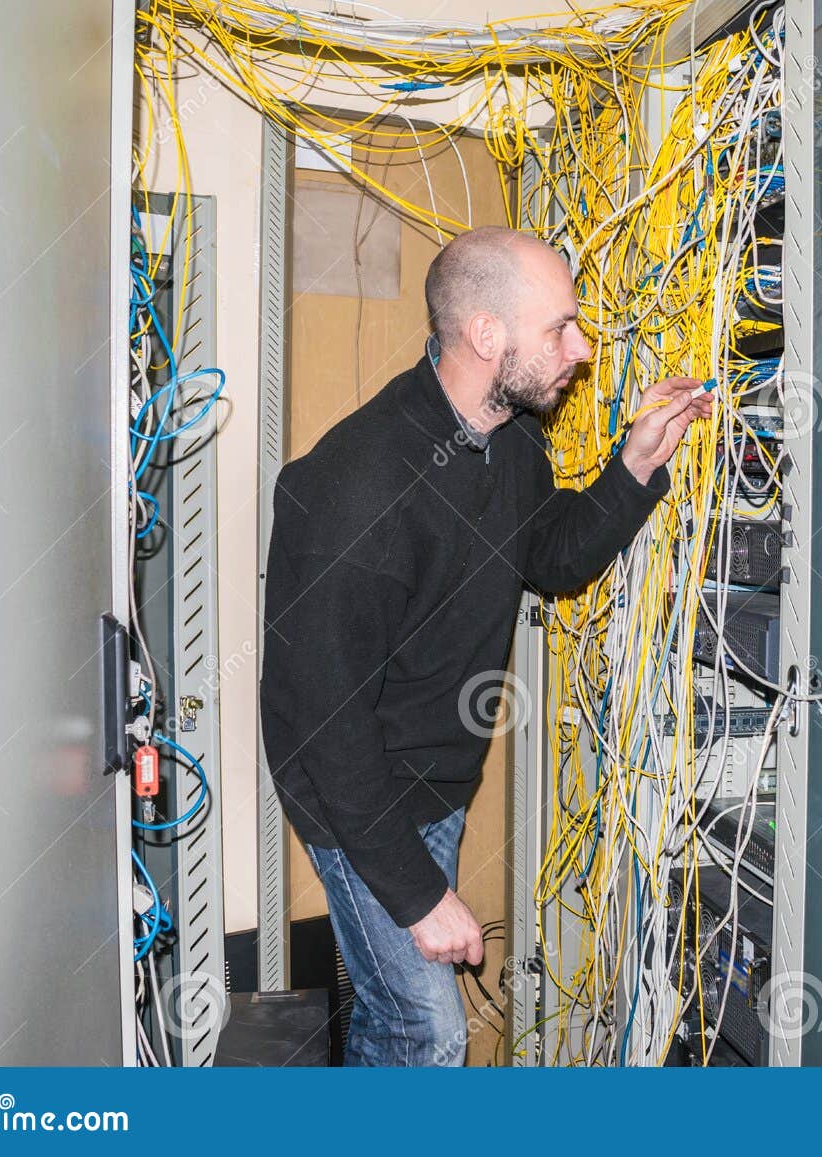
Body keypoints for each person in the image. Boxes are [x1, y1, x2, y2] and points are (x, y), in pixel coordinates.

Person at [260, 226, 710, 1066]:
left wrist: (637, 464)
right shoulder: (355, 487)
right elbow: (326, 724)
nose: (581, 349)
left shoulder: (508, 441)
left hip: (434, 784)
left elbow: (553, 557)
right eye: (561, 328)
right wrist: (418, 891)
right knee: (427, 1029)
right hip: (356, 797)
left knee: (397, 1022)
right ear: (485, 335)